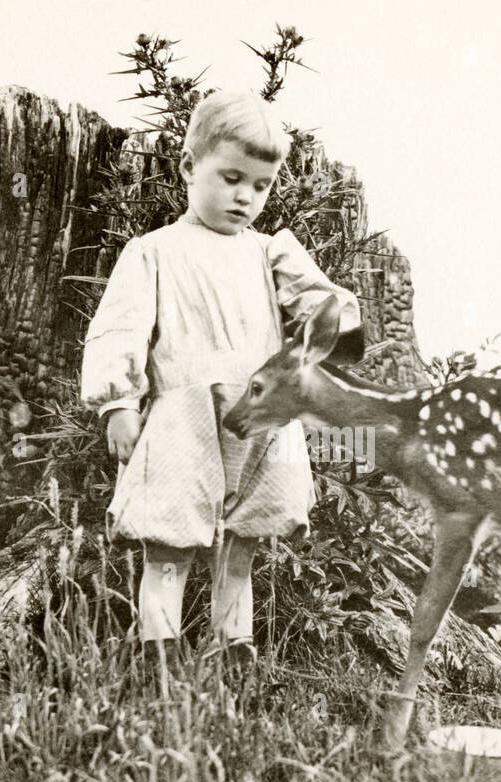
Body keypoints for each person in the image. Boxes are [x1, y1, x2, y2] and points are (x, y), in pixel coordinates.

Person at [80, 89, 365, 666]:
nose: (245, 197)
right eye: (231, 177)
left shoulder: (268, 252)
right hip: (183, 415)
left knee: (244, 544)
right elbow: (121, 328)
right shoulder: (154, 251)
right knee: (170, 540)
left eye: (260, 186)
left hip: (260, 419)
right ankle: (156, 655)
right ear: (189, 166)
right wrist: (119, 404)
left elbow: (326, 311)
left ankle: (234, 651)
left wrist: (330, 320)